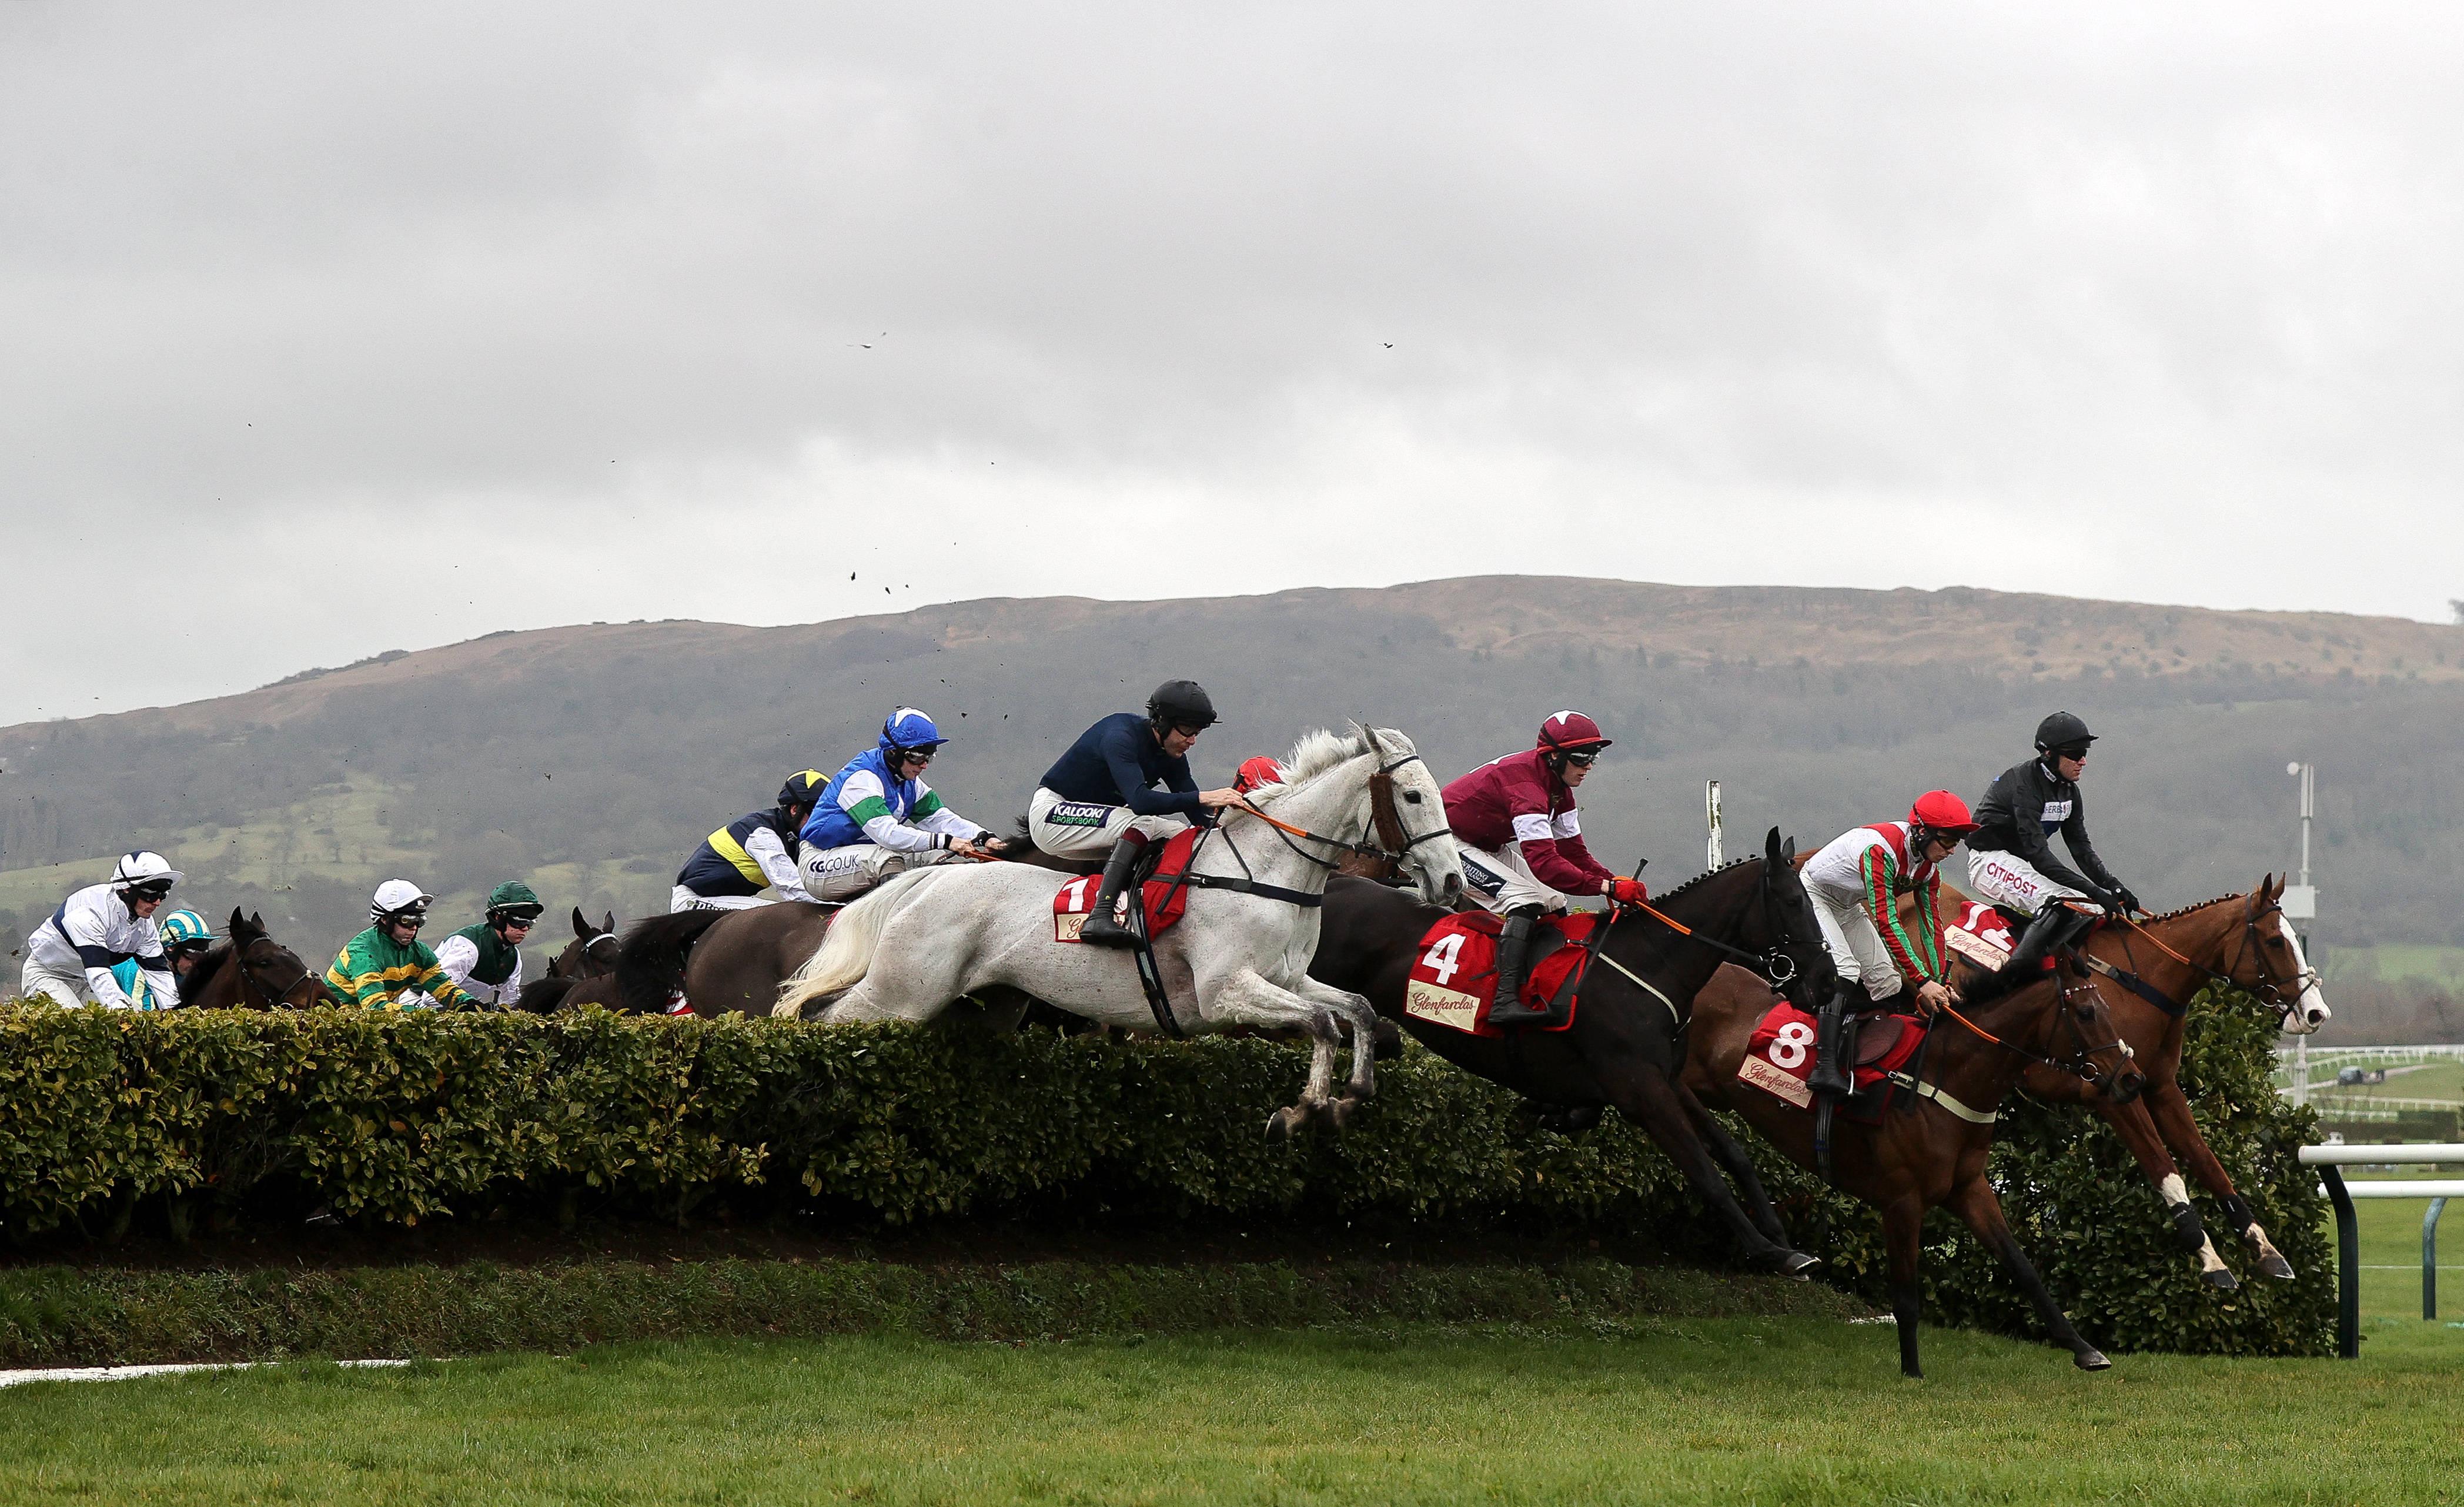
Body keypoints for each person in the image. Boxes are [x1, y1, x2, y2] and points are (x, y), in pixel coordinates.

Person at [1442, 711, 1647, 1026]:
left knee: (1553, 900)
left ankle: (1544, 984)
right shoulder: (1527, 788)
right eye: (1580, 758)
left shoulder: (1560, 791)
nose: (1588, 766)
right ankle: (1504, 1001)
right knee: (1524, 899)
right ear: (1553, 757)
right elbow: (1546, 865)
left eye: (1593, 757)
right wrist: (1607, 889)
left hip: (1485, 845)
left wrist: (1615, 880)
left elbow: (1574, 854)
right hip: (1446, 842)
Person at [1029, 680, 1247, 948]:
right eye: (1188, 731)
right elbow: (1141, 801)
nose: (1192, 740)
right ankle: (1100, 916)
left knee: (1183, 835)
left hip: (1098, 821)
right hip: (1051, 814)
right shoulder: (1120, 736)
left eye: (1197, 733)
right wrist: (1206, 797)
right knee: (1142, 822)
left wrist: (1237, 825)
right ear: (1162, 723)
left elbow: (1198, 818)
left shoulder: (1172, 754)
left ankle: (1141, 908)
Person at [1801, 792, 1977, 1097]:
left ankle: (1862, 1058)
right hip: (1813, 894)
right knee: (1846, 969)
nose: (1952, 850)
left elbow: (1932, 926)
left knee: (1888, 981)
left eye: (1957, 842)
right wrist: (1923, 982)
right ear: (1922, 831)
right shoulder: (1879, 851)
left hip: (1846, 906)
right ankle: (1825, 1067)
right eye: (1948, 840)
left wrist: (1940, 980)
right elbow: (1887, 922)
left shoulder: (1928, 868)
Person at [1968, 712, 2142, 982]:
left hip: (2020, 862)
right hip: (1988, 861)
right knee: (2061, 903)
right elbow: (2040, 856)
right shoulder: (2025, 785)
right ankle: (2013, 981)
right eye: (2075, 753)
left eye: (2084, 752)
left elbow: (2081, 849)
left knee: (2094, 911)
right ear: (2048, 754)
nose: (2083, 760)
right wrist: (2095, 891)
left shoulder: (2069, 790)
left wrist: (2114, 887)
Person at [798, 709, 1004, 903]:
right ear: (893, 752)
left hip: (864, 856)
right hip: (820, 862)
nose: (924, 765)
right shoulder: (861, 779)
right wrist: (947, 841)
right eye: (917, 757)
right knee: (888, 859)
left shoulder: (910, 783)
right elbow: (888, 835)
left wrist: (985, 836)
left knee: (942, 858)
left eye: (929, 757)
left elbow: (942, 820)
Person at [20, 851, 182, 1009]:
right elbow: (99, 973)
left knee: (137, 1021)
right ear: (127, 889)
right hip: (48, 974)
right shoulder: (91, 912)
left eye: (163, 895)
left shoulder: (145, 926)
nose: (157, 903)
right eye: (151, 895)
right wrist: (121, 1015)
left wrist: (178, 1016)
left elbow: (160, 975)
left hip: (85, 982)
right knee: (81, 1024)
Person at [671, 771, 827, 912]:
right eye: (818, 814)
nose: (822, 822)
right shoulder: (762, 834)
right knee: (775, 914)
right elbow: (790, 886)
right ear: (795, 809)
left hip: (720, 900)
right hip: (693, 902)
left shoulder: (794, 839)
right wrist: (834, 909)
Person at [326, 880, 479, 1010]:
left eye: (419, 921)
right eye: (407, 920)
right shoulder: (364, 953)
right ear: (385, 920)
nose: (414, 928)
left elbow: (444, 989)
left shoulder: (420, 953)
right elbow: (375, 1007)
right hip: (332, 1021)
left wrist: (471, 1005)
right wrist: (422, 1013)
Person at [435, 881, 546, 1008]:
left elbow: (511, 1001)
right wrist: (472, 1007)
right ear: (498, 918)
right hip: (417, 1005)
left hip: (456, 1012)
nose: (525, 929)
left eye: (530, 924)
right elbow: (432, 996)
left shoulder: (514, 957)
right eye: (519, 922)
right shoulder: (468, 947)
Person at [108, 907, 219, 1009]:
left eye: (203, 955)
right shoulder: (140, 973)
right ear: (171, 949)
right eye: (191, 954)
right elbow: (144, 1022)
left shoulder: (189, 971)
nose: (197, 963)